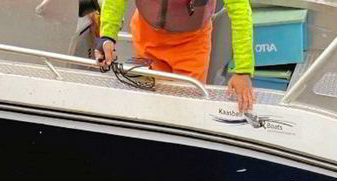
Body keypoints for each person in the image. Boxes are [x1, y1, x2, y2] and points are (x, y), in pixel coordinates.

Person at [96, 0, 254, 111]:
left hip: (192, 43)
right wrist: (108, 36)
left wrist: (243, 70)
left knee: (188, 110)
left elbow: (240, 9)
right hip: (147, 36)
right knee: (150, 105)